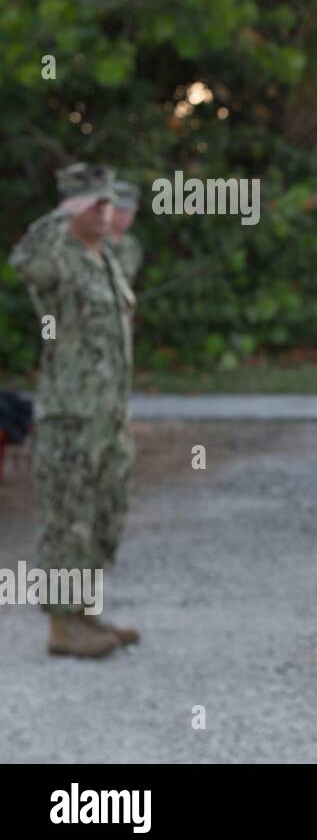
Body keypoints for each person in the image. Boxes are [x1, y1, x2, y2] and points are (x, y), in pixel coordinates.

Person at [8, 162, 139, 657]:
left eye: (109, 202)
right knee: (68, 517)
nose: (106, 211)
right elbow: (25, 261)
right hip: (72, 415)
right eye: (96, 203)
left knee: (105, 511)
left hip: (109, 414)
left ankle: (85, 612)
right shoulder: (56, 258)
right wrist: (59, 215)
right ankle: (62, 627)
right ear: (74, 207)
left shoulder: (106, 259)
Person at [106, 178, 143, 285]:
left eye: (128, 210)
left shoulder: (132, 246)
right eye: (119, 210)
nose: (124, 216)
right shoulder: (93, 241)